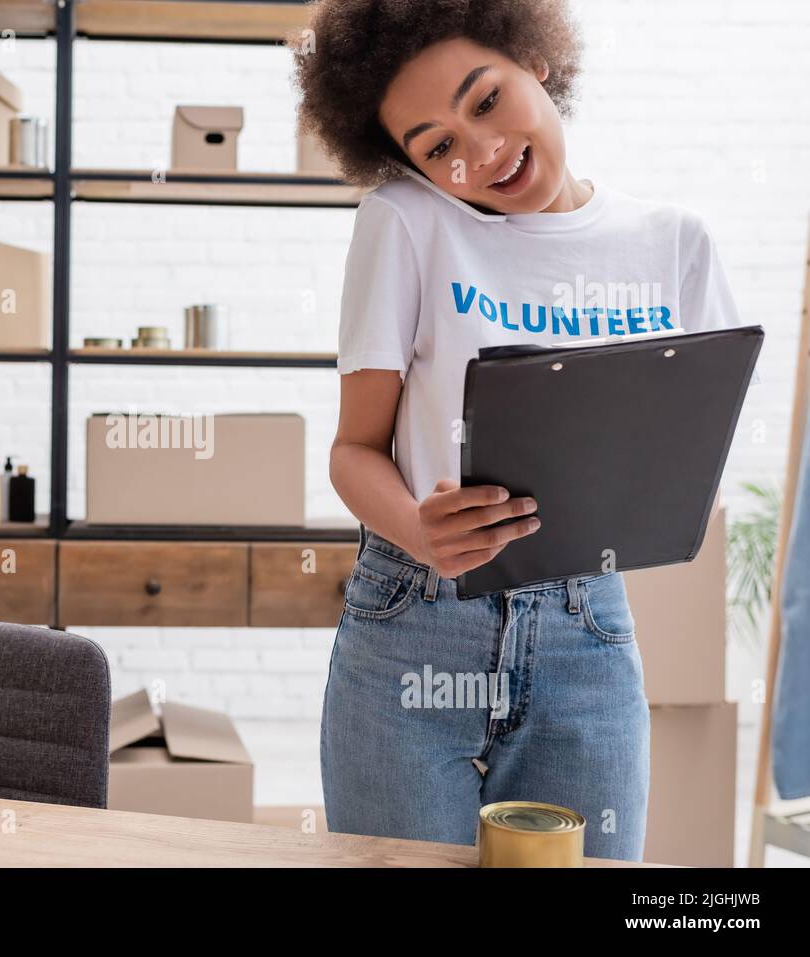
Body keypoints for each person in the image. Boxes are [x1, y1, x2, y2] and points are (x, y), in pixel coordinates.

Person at [293, 0, 741, 860]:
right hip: (413, 623)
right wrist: (422, 532)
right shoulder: (406, 224)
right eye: (437, 147)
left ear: (534, 60)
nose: (479, 151)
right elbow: (354, 453)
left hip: (588, 629)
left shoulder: (675, 244)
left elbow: (699, 452)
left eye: (485, 101)